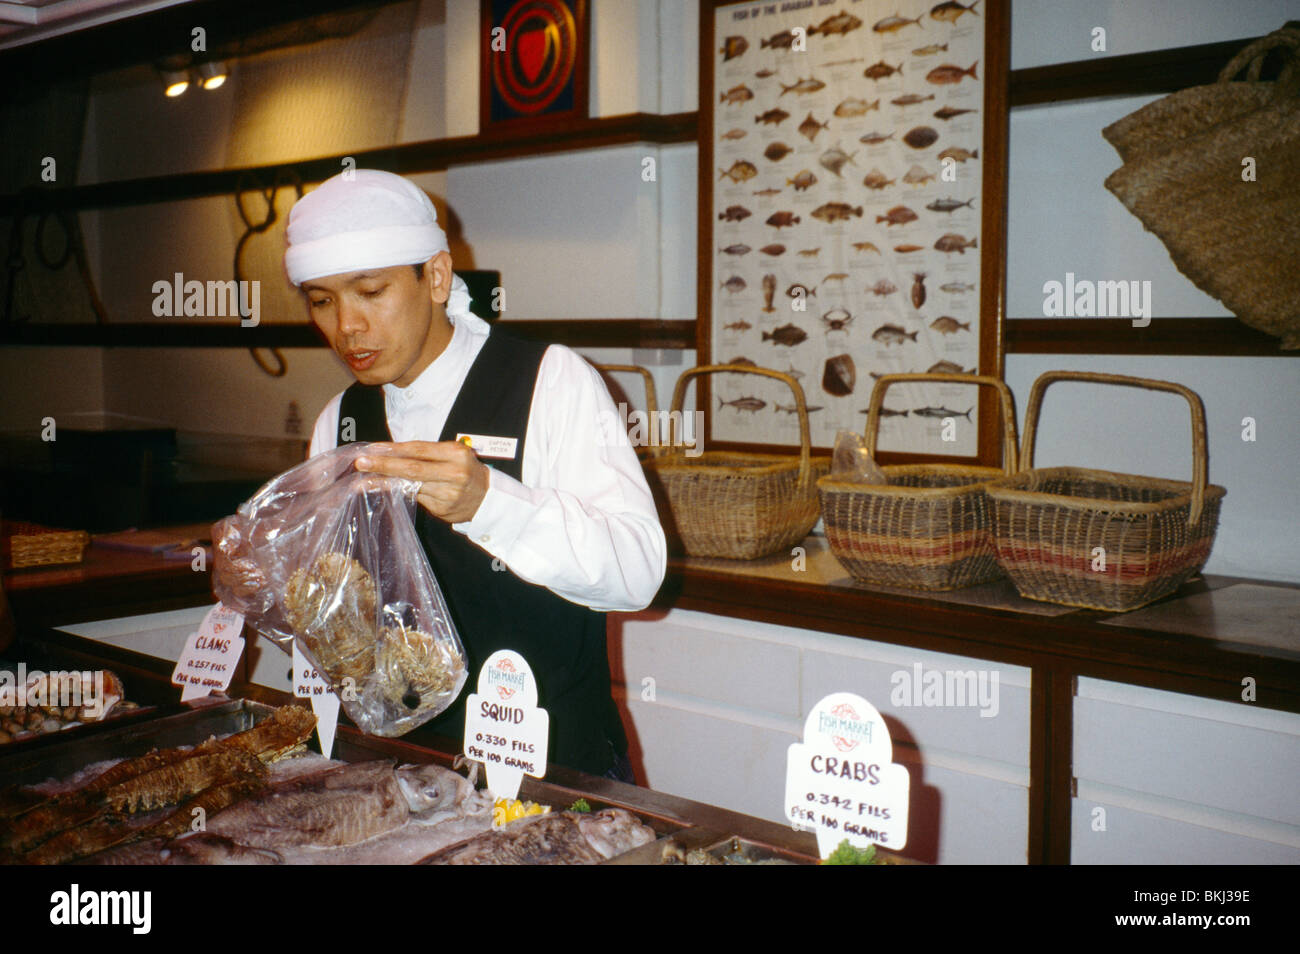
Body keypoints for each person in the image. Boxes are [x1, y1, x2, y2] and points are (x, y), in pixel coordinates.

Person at [283, 169, 665, 780]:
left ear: (435, 276)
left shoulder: (548, 380)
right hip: (399, 765)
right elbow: (338, 606)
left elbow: (639, 571)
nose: (346, 326)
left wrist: (491, 502)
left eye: (370, 292)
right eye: (323, 301)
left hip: (552, 767)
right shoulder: (341, 420)